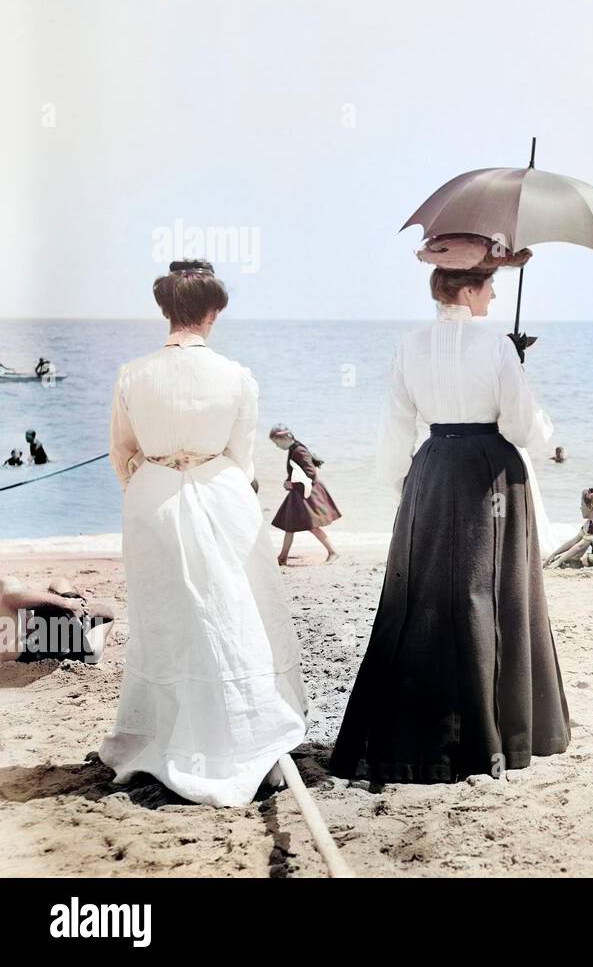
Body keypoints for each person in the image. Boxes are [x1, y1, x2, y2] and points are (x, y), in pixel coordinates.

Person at [330, 250, 570, 784]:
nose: (493, 296)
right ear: (467, 289)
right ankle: (497, 736)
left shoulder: (409, 345)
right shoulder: (497, 345)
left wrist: (407, 487)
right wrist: (527, 393)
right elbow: (523, 428)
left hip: (433, 468)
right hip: (489, 470)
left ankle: (416, 736)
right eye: (488, 286)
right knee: (493, 594)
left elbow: (396, 430)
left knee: (424, 601)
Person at [101, 260, 307, 806]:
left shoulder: (132, 373)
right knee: (233, 611)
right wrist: (212, 484)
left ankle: (167, 735)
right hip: (222, 493)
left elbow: (121, 452)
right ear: (214, 311)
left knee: (167, 617)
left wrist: (153, 487)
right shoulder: (236, 374)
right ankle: (246, 732)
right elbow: (243, 455)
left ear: (166, 310)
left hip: (154, 497)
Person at [1, 575, 116, 664]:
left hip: (38, 646)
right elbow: (108, 615)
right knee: (60, 583)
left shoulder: (89, 654)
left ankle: (76, 605)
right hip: (52, 640)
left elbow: (107, 617)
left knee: (59, 584)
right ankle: (77, 604)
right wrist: (70, 604)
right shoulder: (89, 653)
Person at [269, 426, 341, 565]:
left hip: (306, 493)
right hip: (299, 493)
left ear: (284, 438)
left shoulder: (298, 451)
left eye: (276, 443)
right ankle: (282, 557)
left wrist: (292, 484)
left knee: (311, 525)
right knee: (289, 525)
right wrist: (289, 482)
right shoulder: (295, 448)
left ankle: (333, 552)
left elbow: (311, 475)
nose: (277, 446)